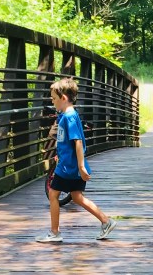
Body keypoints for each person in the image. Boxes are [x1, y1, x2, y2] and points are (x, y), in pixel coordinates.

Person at [36, 77, 116, 243]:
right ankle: (106, 221)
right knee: (77, 197)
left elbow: (78, 141)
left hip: (69, 167)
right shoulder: (66, 116)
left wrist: (80, 166)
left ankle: (54, 232)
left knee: (53, 194)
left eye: (54, 99)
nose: (53, 102)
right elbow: (64, 139)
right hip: (69, 164)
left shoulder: (69, 117)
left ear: (63, 98)